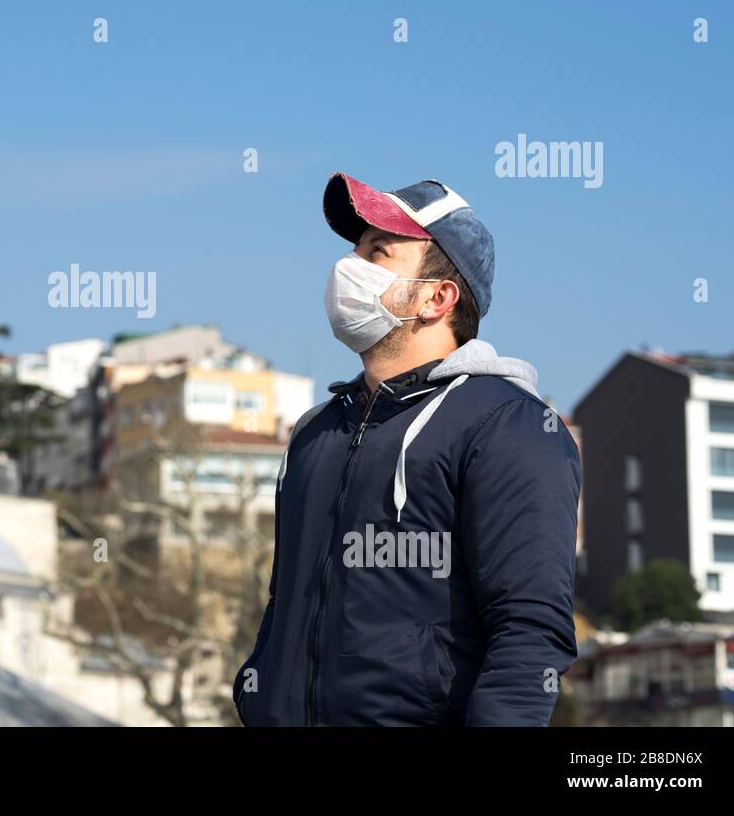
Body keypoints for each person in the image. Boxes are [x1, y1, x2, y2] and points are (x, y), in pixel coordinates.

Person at [233, 172, 580, 726]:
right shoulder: (313, 434)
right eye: (354, 249)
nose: (349, 266)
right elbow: (285, 605)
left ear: (438, 298)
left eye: (379, 251)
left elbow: (528, 632)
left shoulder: (509, 424)